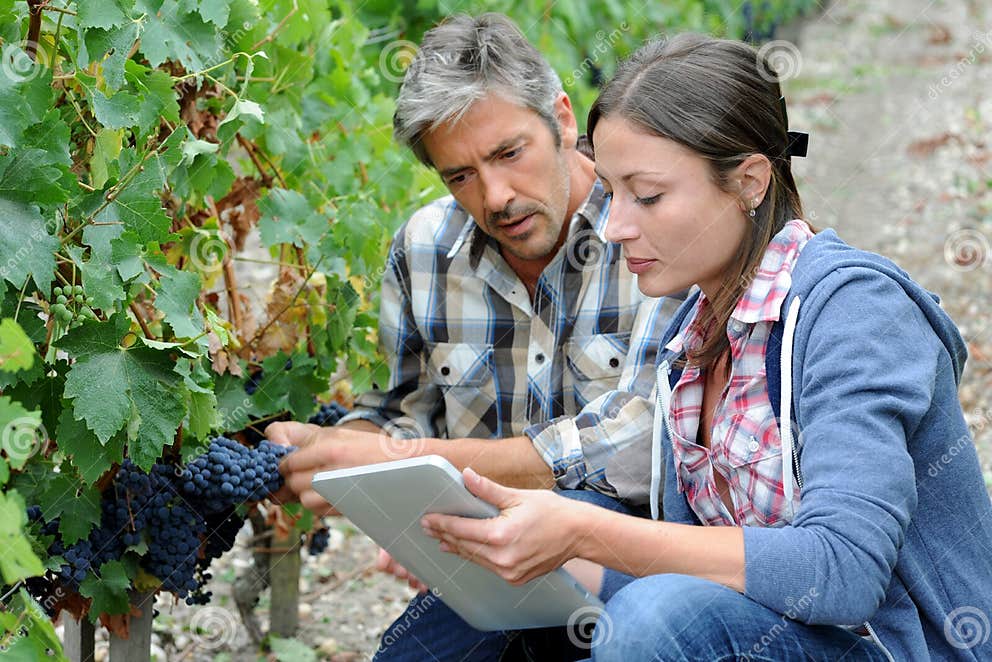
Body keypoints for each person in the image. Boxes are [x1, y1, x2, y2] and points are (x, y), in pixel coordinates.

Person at [420, 34, 992, 661]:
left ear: (748, 181)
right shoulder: (691, 336)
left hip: (899, 648)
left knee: (654, 616)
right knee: (483, 605)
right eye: (611, 192)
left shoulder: (853, 312)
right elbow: (708, 572)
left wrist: (586, 530)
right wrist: (529, 549)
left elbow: (845, 570)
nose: (614, 229)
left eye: (649, 195)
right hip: (772, 637)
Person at [268, 13, 683, 660]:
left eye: (509, 154)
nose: (495, 197)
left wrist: (387, 463)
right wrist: (333, 461)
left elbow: (635, 443)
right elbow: (397, 418)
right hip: (489, 564)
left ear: (564, 120)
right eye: (458, 175)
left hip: (639, 559)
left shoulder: (652, 234)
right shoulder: (424, 250)